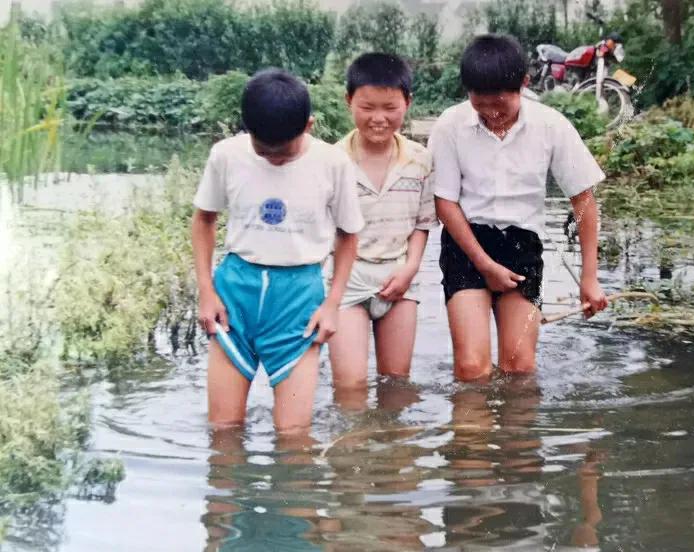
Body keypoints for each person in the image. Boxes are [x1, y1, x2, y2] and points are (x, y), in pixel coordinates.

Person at [191, 68, 364, 434]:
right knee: (223, 431)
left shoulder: (333, 164)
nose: (273, 159)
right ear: (247, 129)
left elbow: (348, 236)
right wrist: (206, 292)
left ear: (309, 126)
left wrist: (332, 304)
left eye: (283, 152)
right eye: (263, 150)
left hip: (298, 299)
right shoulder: (226, 155)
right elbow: (204, 219)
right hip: (236, 294)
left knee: (293, 437)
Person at [429, 34, 609, 382]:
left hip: (521, 247)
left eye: (501, 105)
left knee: (519, 369)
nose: (492, 115)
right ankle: (470, 436)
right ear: (467, 93)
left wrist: (589, 277)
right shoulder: (450, 125)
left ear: (524, 84)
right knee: (471, 368)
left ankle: (519, 436)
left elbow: (583, 199)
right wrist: (485, 264)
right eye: (481, 106)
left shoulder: (551, 125)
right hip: (467, 244)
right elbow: (445, 202)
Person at [327, 53, 437, 396]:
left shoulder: (420, 159)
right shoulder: (331, 160)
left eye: (390, 108)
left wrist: (410, 269)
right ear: (349, 102)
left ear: (408, 102)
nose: (378, 118)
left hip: (400, 280)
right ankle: (353, 450)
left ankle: (396, 450)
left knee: (397, 386)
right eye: (367, 107)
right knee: (350, 388)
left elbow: (423, 223)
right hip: (346, 284)